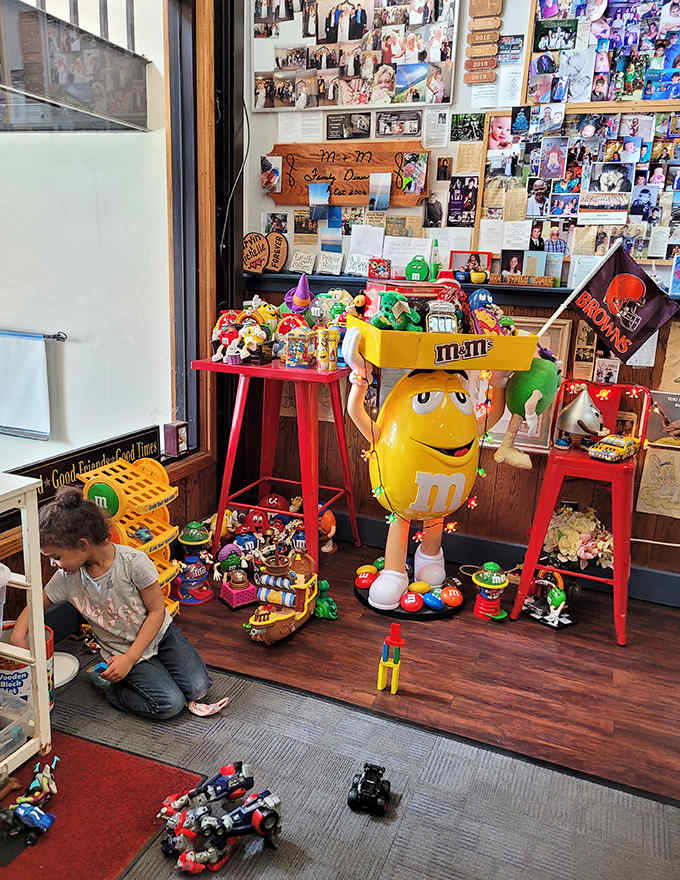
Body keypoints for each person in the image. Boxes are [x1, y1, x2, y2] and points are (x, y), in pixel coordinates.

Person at [10, 488, 211, 720]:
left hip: (159, 636)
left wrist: (131, 659)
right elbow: (37, 603)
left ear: (83, 545)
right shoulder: (67, 578)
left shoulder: (133, 563)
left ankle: (146, 671)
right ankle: (109, 687)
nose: (54, 564)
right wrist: (17, 635)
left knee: (199, 688)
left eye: (56, 557)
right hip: (120, 650)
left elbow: (157, 612)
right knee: (170, 704)